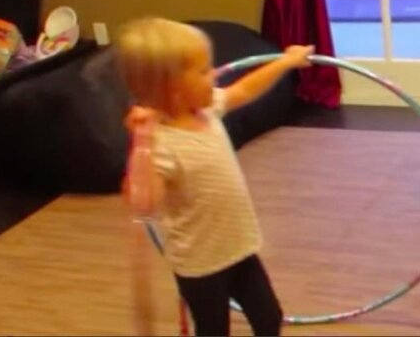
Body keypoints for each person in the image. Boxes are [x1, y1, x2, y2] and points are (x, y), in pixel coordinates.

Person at [116, 17, 313, 336]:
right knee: (213, 330)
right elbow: (143, 203)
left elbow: (245, 89)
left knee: (269, 318)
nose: (215, 74)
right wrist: (143, 145)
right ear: (172, 88)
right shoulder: (162, 145)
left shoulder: (206, 109)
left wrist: (286, 62)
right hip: (200, 266)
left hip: (238, 247)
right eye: (204, 71)